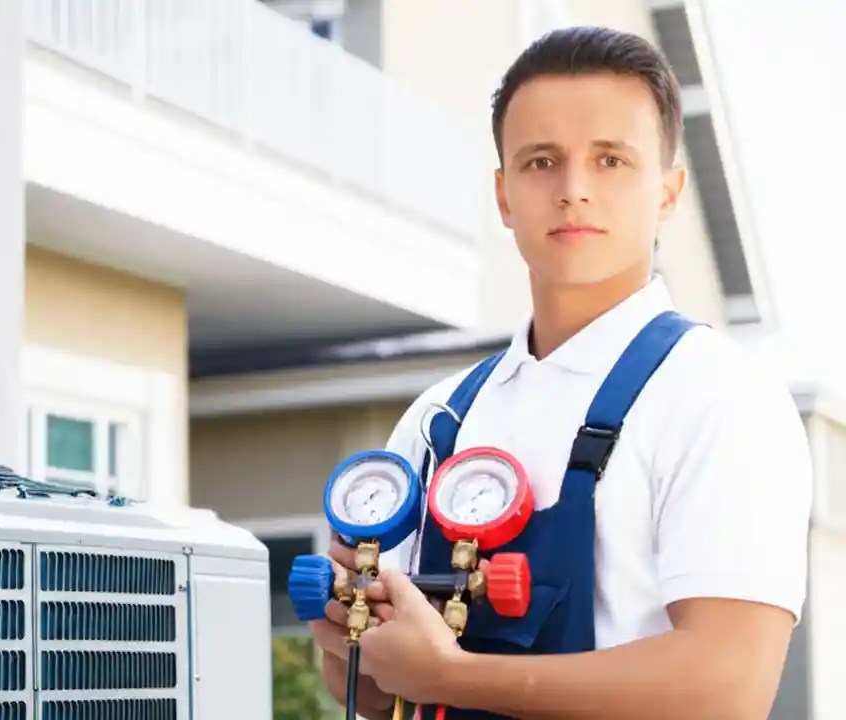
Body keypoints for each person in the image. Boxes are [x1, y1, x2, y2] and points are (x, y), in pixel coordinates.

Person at [309, 25, 812, 720]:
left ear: (668, 192)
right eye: (542, 161)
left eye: (611, 161)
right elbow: (374, 690)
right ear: (504, 194)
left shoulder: (720, 397)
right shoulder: (440, 418)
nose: (574, 189)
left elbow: (725, 687)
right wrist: (343, 631)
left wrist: (452, 675)